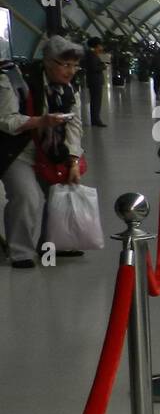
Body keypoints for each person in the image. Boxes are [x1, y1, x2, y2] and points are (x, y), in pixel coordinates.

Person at [0, 36, 87, 269]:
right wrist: (41, 121)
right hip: (18, 150)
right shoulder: (15, 80)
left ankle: (52, 243)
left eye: (75, 65)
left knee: (61, 193)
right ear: (48, 62)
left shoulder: (69, 89)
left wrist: (73, 159)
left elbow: (74, 125)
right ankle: (20, 252)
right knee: (27, 196)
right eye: (65, 64)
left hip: (50, 151)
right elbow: (6, 121)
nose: (71, 71)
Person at [84, 36, 107, 127]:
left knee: (95, 100)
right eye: (100, 45)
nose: (101, 47)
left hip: (94, 81)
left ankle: (95, 119)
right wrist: (103, 66)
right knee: (96, 101)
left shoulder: (92, 54)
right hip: (95, 81)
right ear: (97, 45)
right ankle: (96, 119)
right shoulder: (91, 55)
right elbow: (94, 68)